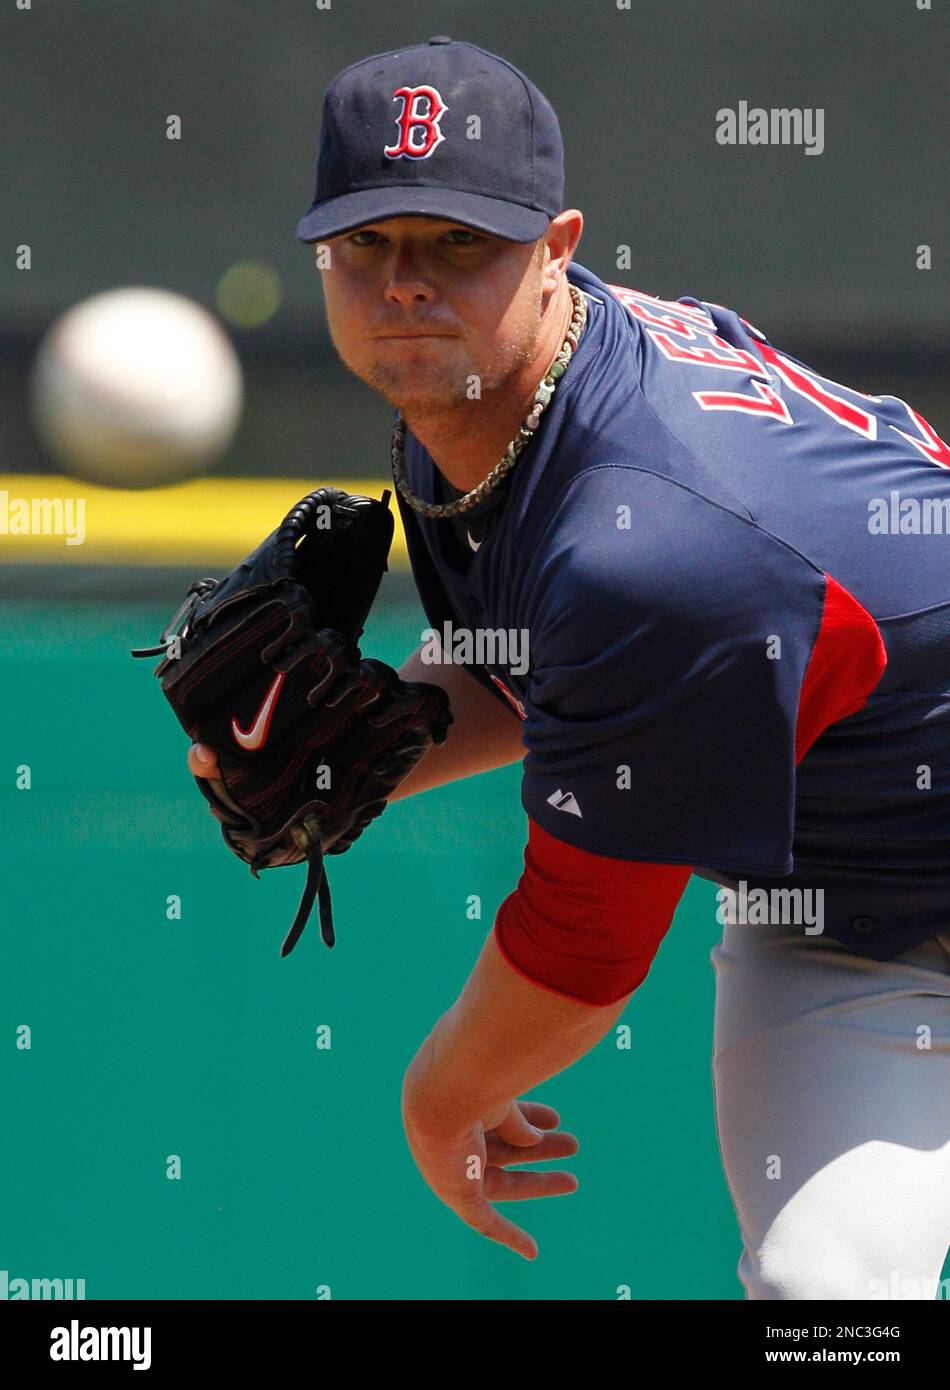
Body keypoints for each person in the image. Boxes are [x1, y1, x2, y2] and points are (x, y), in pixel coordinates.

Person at [189, 37, 950, 1296]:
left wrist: (443, 1099)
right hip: (850, 918)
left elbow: (583, 948)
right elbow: (549, 673)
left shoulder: (652, 542)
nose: (405, 288)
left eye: (457, 243)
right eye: (366, 244)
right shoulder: (484, 398)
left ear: (555, 245)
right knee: (828, 1299)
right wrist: (367, 742)